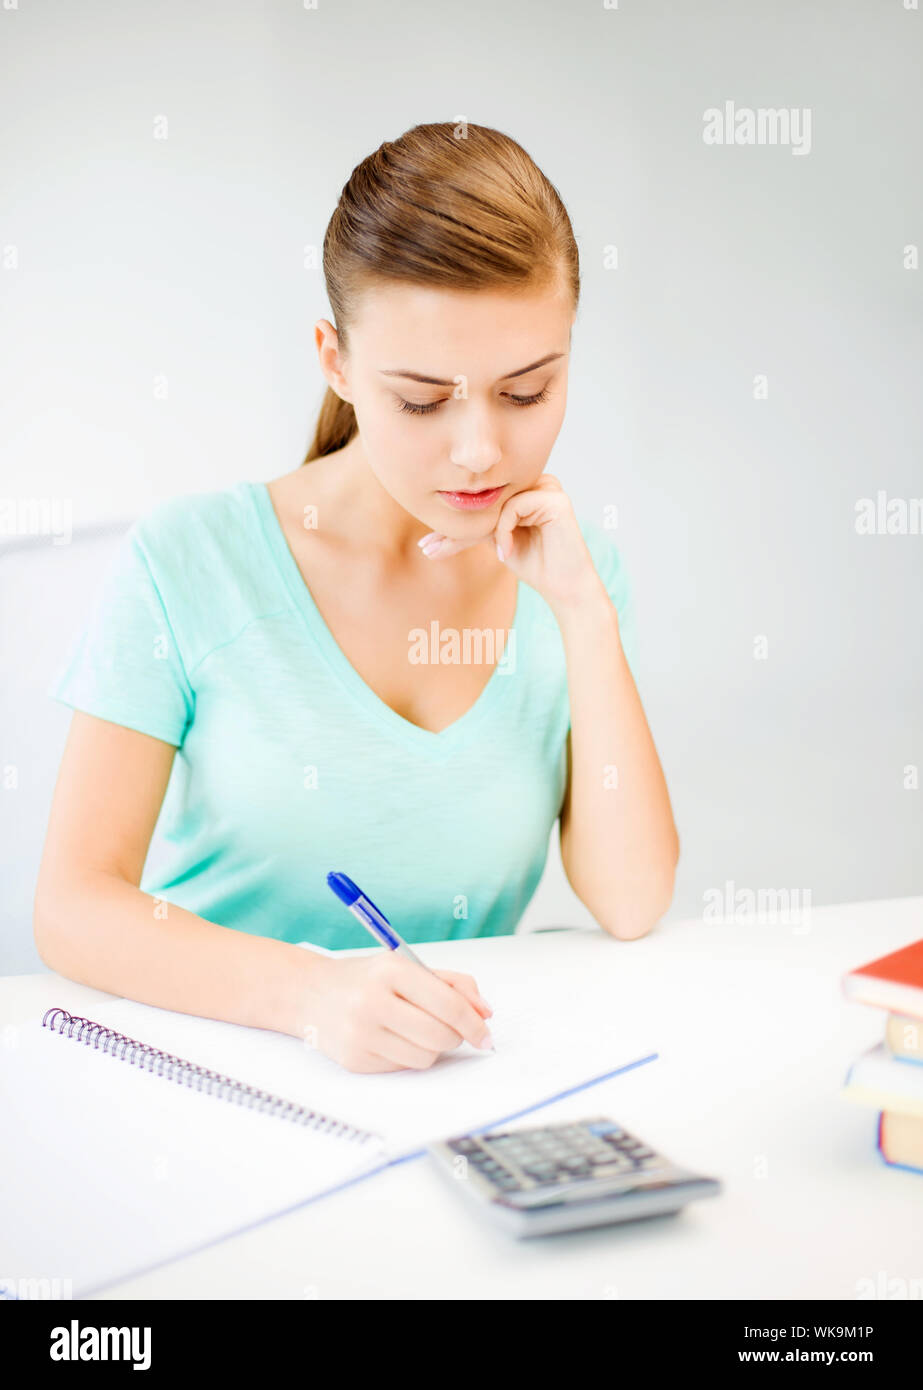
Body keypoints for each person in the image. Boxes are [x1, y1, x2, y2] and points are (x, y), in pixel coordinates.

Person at [34, 122, 679, 1074]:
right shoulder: (191, 560)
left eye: (526, 391)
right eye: (423, 399)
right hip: (207, 1073)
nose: (478, 452)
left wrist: (584, 614)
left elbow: (630, 903)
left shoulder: (574, 574)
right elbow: (73, 907)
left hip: (439, 1084)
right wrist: (311, 995)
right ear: (334, 359)